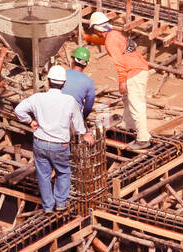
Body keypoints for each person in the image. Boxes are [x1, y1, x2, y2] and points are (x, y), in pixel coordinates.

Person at [14, 65, 89, 212]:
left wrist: (30, 121)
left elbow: (18, 110)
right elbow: (79, 125)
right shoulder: (69, 101)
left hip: (40, 143)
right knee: (63, 172)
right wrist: (85, 134)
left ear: (48, 81)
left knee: (43, 175)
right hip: (59, 146)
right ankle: (60, 203)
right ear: (64, 84)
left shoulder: (37, 98)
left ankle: (48, 206)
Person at [85, 11, 151, 144]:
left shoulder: (110, 40)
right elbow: (105, 42)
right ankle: (129, 126)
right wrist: (87, 38)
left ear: (97, 28)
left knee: (136, 105)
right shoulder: (114, 33)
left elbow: (120, 64)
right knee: (128, 101)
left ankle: (143, 139)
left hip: (133, 72)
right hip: (140, 68)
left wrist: (122, 82)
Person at [63, 46, 97, 119]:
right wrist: (83, 118)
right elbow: (88, 107)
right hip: (74, 118)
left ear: (72, 61)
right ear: (86, 64)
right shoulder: (89, 82)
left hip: (56, 115)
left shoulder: (62, 74)